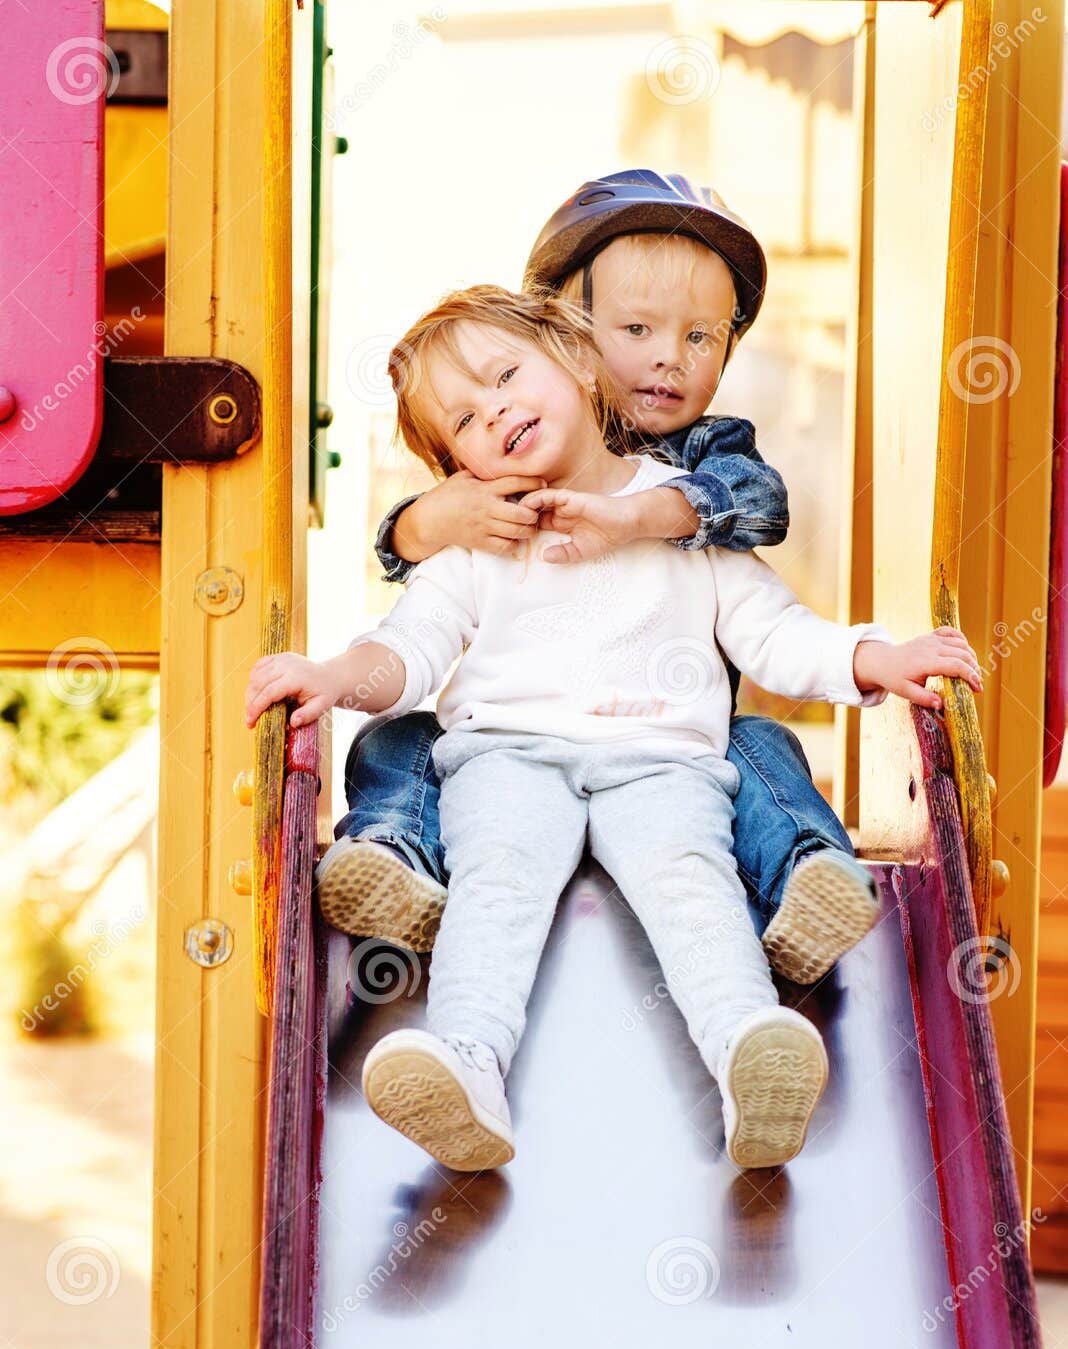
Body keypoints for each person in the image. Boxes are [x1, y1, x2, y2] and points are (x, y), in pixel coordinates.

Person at [245, 286, 982, 1172]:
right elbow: (407, 651)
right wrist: (332, 676)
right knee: (499, 884)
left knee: (690, 883)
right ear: (459, 468)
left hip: (661, 761)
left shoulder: (680, 513)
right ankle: (470, 1065)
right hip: (509, 759)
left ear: (577, 359)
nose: (499, 411)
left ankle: (751, 1049)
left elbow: (774, 633)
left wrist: (872, 658)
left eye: (507, 375)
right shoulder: (481, 543)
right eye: (467, 420)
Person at [316, 172, 879, 985]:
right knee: (399, 741)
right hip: (520, 762)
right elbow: (418, 576)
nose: (666, 357)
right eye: (639, 328)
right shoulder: (516, 450)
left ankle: (806, 877)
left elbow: (757, 505)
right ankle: (400, 863)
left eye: (701, 339)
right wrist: (431, 520)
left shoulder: (711, 449)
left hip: (663, 752)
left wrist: (638, 517)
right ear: (570, 340)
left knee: (759, 746)